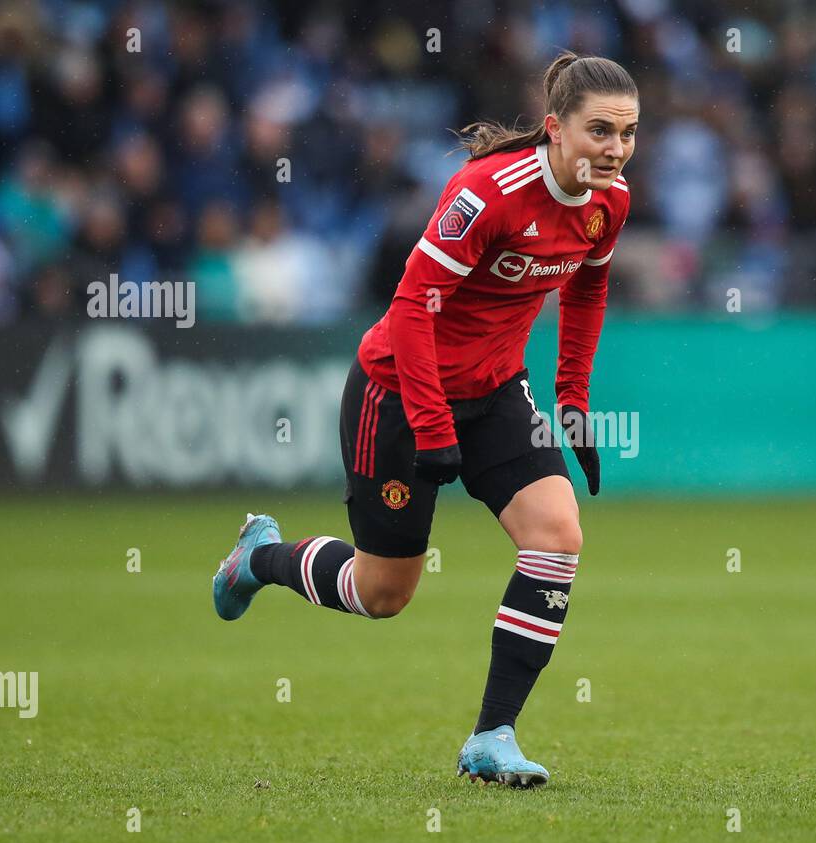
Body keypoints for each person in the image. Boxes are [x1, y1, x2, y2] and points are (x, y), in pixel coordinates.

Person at [212, 51, 637, 788]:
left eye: (628, 133)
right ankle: (258, 559)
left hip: (499, 391)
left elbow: (589, 288)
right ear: (553, 128)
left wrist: (572, 397)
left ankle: (492, 736)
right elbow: (413, 307)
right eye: (599, 130)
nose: (615, 149)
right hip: (400, 393)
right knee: (385, 594)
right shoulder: (487, 193)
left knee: (557, 535)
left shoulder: (611, 201)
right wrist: (434, 428)